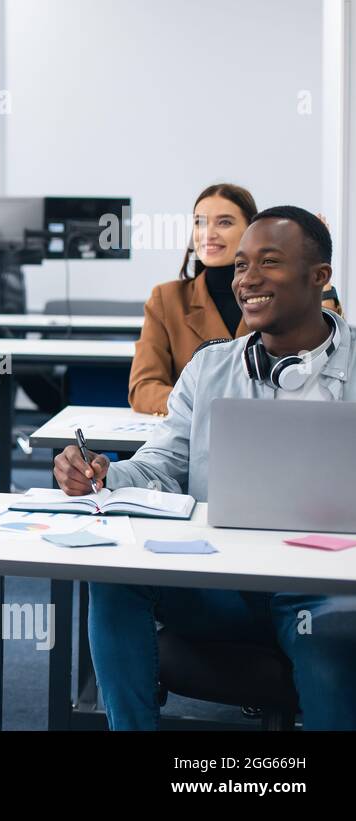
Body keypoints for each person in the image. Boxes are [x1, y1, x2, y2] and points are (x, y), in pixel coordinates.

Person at [56, 206, 356, 730]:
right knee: (114, 580)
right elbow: (164, 463)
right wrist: (106, 474)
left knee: (329, 639)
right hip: (222, 578)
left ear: (319, 277)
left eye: (269, 263)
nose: (248, 279)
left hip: (325, 588)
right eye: (241, 266)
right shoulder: (211, 366)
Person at [130, 183, 342, 414]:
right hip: (196, 434)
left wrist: (311, 262)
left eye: (224, 222)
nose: (208, 233)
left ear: (252, 232)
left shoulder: (281, 296)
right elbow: (143, 388)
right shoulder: (167, 298)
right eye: (200, 222)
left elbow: (328, 361)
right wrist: (207, 406)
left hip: (274, 429)